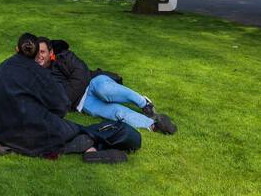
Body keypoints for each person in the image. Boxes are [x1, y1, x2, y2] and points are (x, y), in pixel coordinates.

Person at [37, 38, 176, 134]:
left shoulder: (64, 56)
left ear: (51, 52)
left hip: (92, 82)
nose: (39, 56)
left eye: (42, 52)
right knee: (116, 112)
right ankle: (153, 125)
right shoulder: (39, 75)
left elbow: (81, 75)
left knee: (105, 90)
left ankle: (144, 103)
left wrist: (65, 99)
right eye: (36, 53)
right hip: (83, 103)